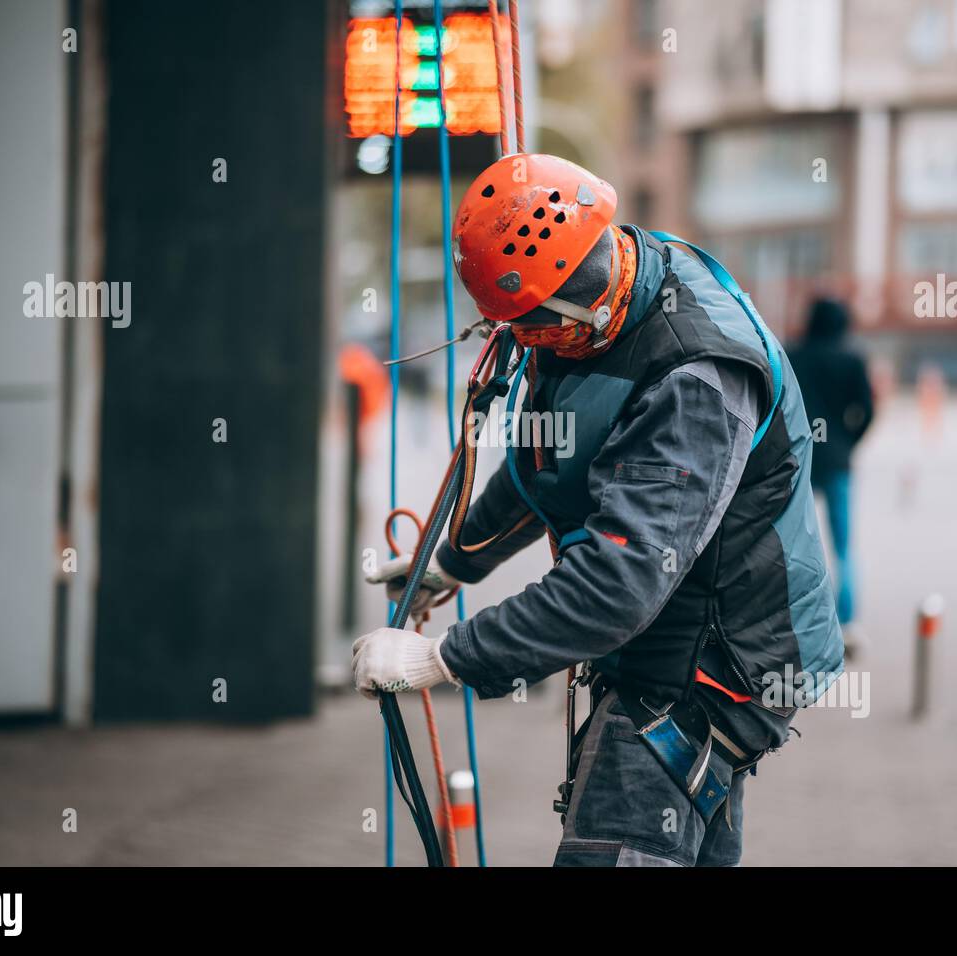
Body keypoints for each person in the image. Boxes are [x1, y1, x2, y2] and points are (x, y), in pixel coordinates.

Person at [353, 154, 843, 867]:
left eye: (538, 330)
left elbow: (618, 582)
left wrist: (445, 658)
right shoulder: (603, 298)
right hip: (679, 646)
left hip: (711, 670)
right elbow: (547, 466)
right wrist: (453, 560)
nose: (525, 346)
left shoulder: (695, 376)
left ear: (584, 297)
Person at [786, 298, 873, 657]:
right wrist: (848, 444)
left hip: (800, 458)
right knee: (843, 547)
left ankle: (795, 622)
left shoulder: (793, 355)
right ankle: (847, 625)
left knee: (793, 543)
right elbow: (866, 411)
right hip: (837, 461)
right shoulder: (852, 359)